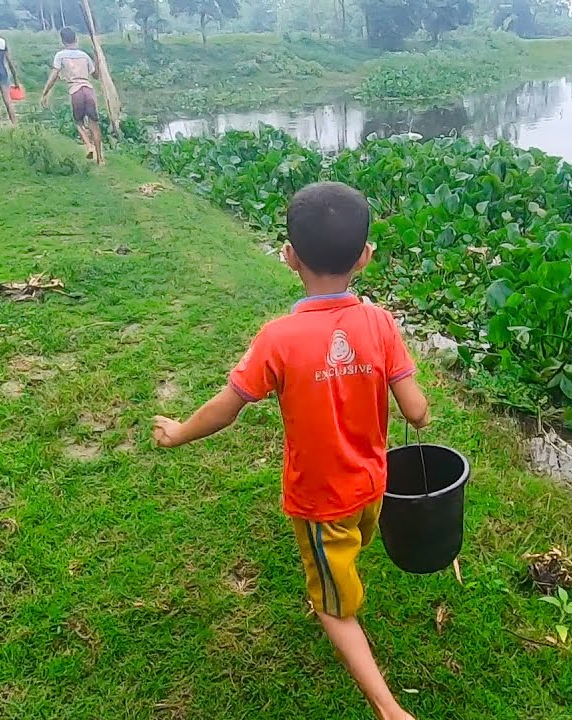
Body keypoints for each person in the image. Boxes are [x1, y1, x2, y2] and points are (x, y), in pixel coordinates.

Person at [153, 182, 430, 720]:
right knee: (352, 546)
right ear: (366, 257)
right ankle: (342, 575)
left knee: (334, 608)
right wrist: (416, 412)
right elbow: (416, 410)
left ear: (289, 257)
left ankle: (389, 708)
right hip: (374, 486)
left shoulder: (278, 338)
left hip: (321, 501)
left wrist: (180, 431)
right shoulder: (380, 323)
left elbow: (228, 406)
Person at [40, 27, 103, 163]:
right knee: (94, 124)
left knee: (79, 123)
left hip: (76, 91)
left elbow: (54, 76)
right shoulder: (84, 55)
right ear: (76, 39)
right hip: (88, 90)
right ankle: (100, 159)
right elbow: (96, 76)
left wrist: (45, 92)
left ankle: (89, 146)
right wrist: (97, 60)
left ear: (63, 41)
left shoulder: (61, 55)